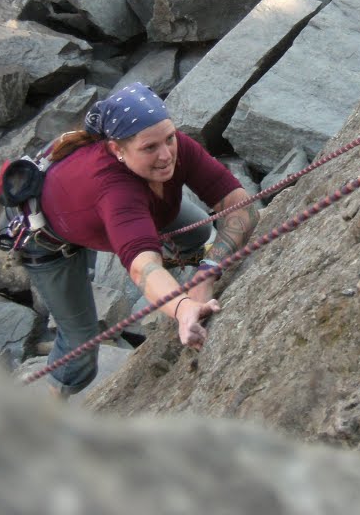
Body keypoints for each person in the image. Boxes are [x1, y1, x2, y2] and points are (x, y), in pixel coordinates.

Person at [18, 82, 260, 399]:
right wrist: (183, 307)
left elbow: (241, 207)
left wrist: (207, 273)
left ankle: (181, 281)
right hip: (49, 241)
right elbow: (142, 267)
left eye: (169, 138)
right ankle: (46, 412)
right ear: (118, 149)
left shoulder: (175, 149)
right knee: (79, 343)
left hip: (144, 208)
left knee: (200, 235)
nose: (166, 156)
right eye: (150, 148)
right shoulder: (115, 189)